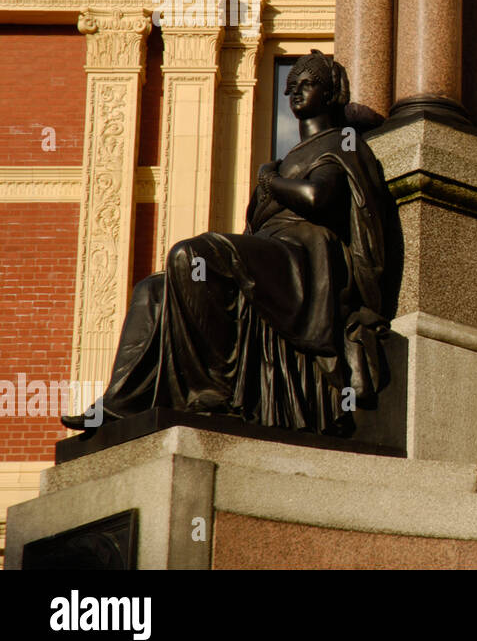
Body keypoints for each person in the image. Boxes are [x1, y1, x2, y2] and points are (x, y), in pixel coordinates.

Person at [63, 51, 398, 435]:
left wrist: (270, 181)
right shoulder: (288, 156)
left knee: (191, 256)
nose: (296, 92)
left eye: (309, 84)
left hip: (304, 258)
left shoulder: (342, 143)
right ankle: (122, 402)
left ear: (331, 93)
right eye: (292, 85)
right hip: (271, 254)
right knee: (153, 289)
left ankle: (213, 393)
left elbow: (316, 198)